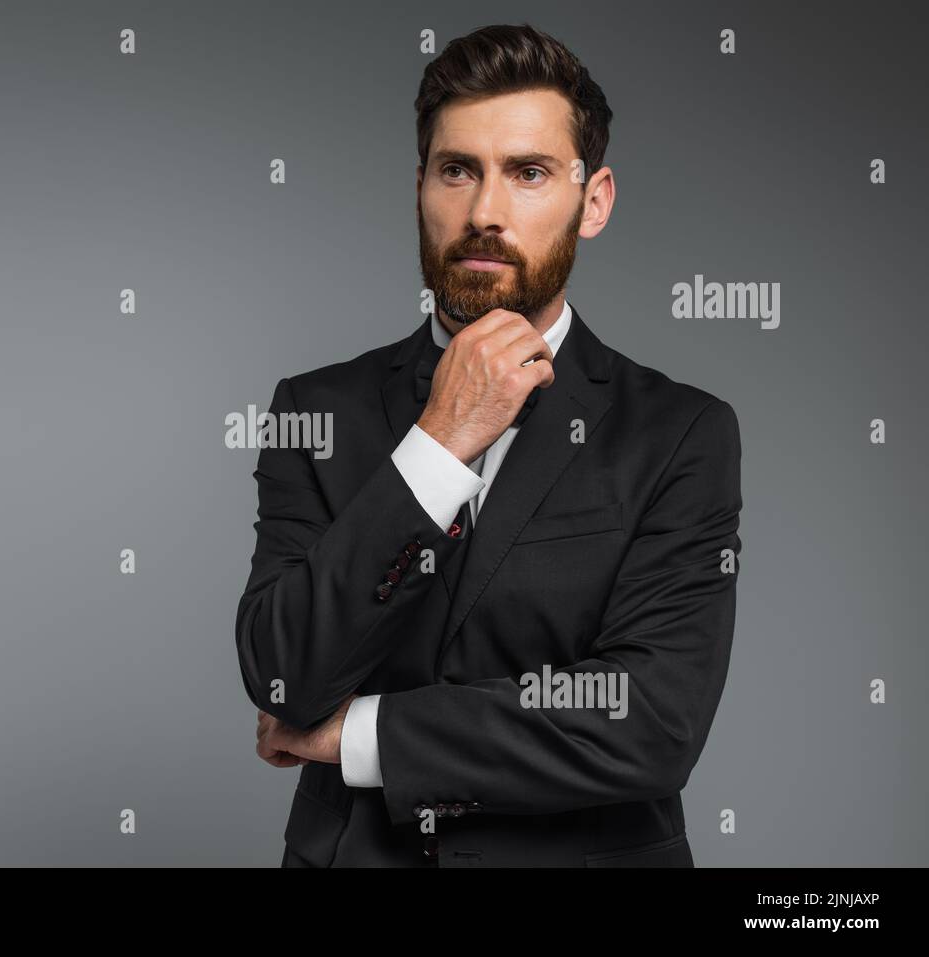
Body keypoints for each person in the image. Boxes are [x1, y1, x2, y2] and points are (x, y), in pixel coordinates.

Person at [235, 23, 742, 867]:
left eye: (529, 172)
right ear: (422, 187)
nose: (483, 213)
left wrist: (362, 732)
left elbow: (649, 722)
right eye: (457, 169)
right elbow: (283, 674)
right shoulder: (314, 409)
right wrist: (440, 441)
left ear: (595, 200)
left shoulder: (680, 432)